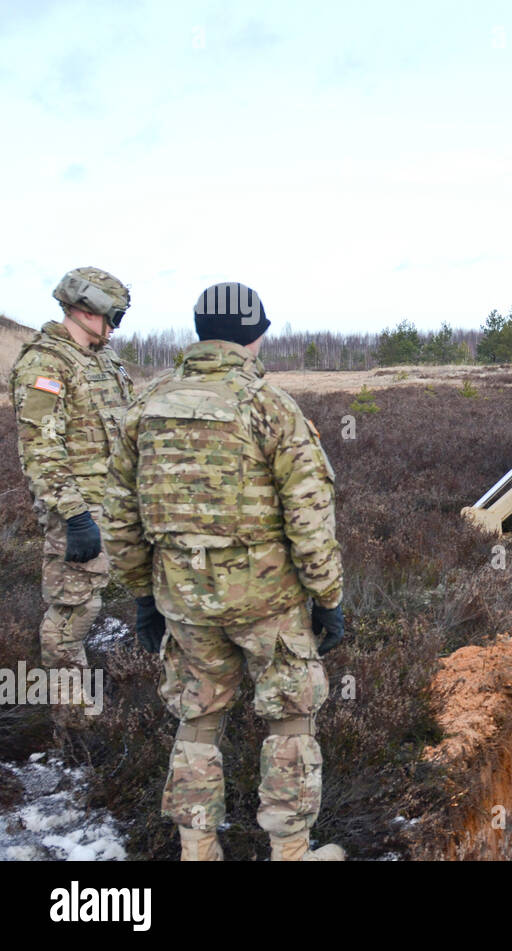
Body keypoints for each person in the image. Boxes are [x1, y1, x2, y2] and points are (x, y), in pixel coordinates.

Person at [103, 282, 347, 862]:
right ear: (257, 334)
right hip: (269, 602)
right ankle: (290, 855)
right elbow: (309, 515)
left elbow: (119, 515)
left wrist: (143, 595)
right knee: (289, 721)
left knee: (197, 721)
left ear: (197, 331)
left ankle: (198, 850)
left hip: (183, 603)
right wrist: (328, 597)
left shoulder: (147, 405)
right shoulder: (269, 406)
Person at [8, 267, 134, 727]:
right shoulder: (46, 363)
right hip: (78, 508)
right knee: (73, 611)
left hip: (117, 504)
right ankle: (72, 719)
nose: (116, 324)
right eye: (114, 314)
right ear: (89, 309)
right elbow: (40, 446)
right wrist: (76, 515)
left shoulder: (104, 360)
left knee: (119, 598)